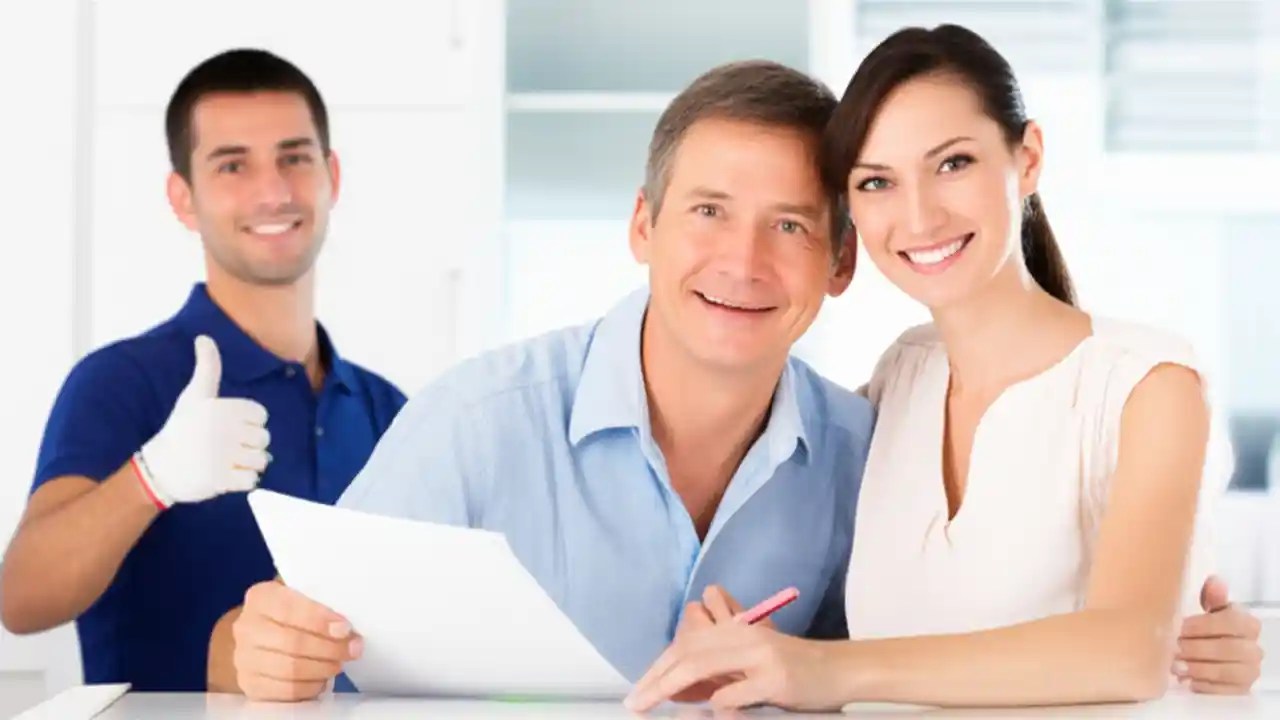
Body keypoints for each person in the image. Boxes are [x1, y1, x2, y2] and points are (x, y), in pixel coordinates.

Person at [217, 60, 1263, 704]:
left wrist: (1173, 635)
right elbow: (264, 645)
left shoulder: (866, 447)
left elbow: (961, 621)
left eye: (792, 227)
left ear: (840, 266)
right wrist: (250, 651)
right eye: (708, 211)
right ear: (642, 227)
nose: (743, 262)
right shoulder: (475, 425)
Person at [624, 25, 1261, 713]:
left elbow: (1126, 654)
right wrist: (735, 637)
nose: (920, 215)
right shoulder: (901, 378)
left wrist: (827, 671)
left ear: (1029, 158)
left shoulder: (1146, 386)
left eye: (953, 164)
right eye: (876, 182)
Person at [0, 49, 405, 692]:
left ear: (331, 176)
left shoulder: (388, 410)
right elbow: (22, 601)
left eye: (295, 158)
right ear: (183, 198)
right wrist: (151, 478)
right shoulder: (121, 383)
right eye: (232, 165)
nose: (272, 191)